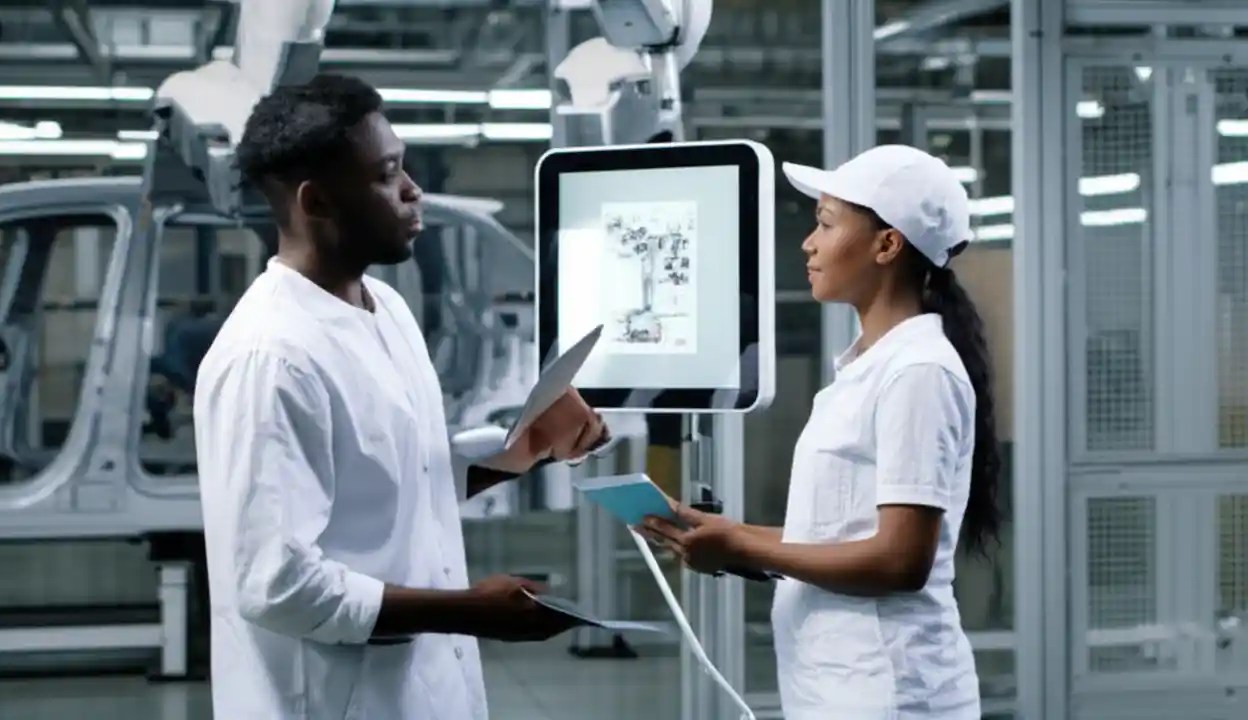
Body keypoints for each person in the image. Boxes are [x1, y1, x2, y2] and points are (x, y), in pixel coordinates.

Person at [192, 73, 608, 720]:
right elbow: (276, 584)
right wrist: (469, 612)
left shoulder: (384, 308)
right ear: (317, 201)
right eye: (387, 175)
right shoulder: (271, 359)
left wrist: (523, 449)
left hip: (421, 694)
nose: (414, 191)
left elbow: (396, 478)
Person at [643, 144, 1002, 719]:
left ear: (888, 244)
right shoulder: (870, 365)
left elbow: (900, 562)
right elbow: (840, 533)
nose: (809, 243)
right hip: (838, 688)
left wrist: (742, 544)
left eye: (827, 224)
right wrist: (731, 538)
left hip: (888, 694)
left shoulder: (918, 372)